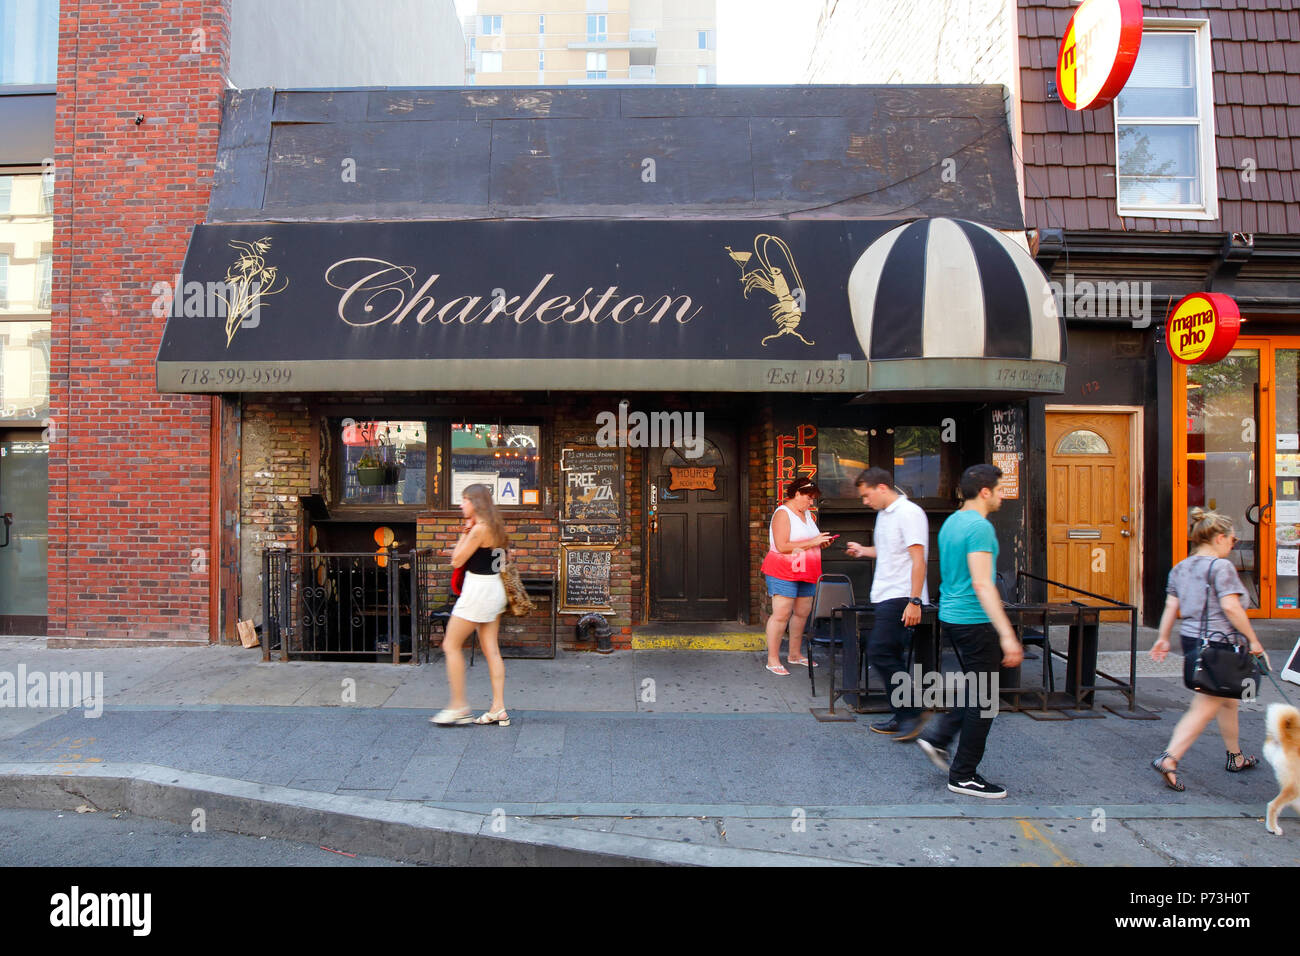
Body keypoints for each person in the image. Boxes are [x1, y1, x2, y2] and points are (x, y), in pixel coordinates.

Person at [914, 463, 1022, 799]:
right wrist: (1006, 633)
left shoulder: (952, 523)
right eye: (1001, 489)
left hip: (953, 615)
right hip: (975, 620)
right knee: (985, 701)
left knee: (978, 688)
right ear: (985, 492)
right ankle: (963, 775)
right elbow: (982, 583)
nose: (1003, 495)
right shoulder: (979, 528)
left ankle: (938, 738)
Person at [1149, 508, 1270, 791]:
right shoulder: (1221, 567)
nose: (1233, 545)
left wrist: (1163, 637)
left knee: (1227, 700)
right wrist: (1253, 640)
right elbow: (1230, 607)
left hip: (1193, 642)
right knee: (1205, 705)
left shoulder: (1181, 567)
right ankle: (1169, 758)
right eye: (1232, 540)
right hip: (1219, 645)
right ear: (1218, 537)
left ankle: (1235, 756)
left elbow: (1170, 607)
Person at [846, 467, 930, 741]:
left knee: (881, 651)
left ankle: (912, 711)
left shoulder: (909, 513)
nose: (864, 501)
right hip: (884, 594)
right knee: (887, 654)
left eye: (867, 495)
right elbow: (888, 551)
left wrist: (915, 601)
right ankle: (904, 714)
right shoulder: (884, 515)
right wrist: (863, 550)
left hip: (902, 596)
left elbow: (919, 559)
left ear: (882, 487)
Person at [431, 483, 511, 727]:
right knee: (491, 650)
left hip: (478, 591)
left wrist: (465, 531)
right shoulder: (497, 528)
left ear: (476, 503)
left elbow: (456, 560)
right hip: (494, 588)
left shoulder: (479, 530)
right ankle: (498, 708)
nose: (460, 504)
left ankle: (459, 707)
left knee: (451, 644)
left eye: (464, 500)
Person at [761, 476, 835, 676]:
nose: (811, 502)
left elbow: (810, 540)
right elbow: (783, 545)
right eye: (809, 498)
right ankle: (773, 659)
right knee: (782, 614)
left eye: (813, 499)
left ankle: (794, 654)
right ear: (796, 494)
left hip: (806, 568)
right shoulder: (783, 514)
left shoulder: (807, 515)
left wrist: (821, 542)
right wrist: (813, 542)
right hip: (783, 569)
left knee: (802, 612)